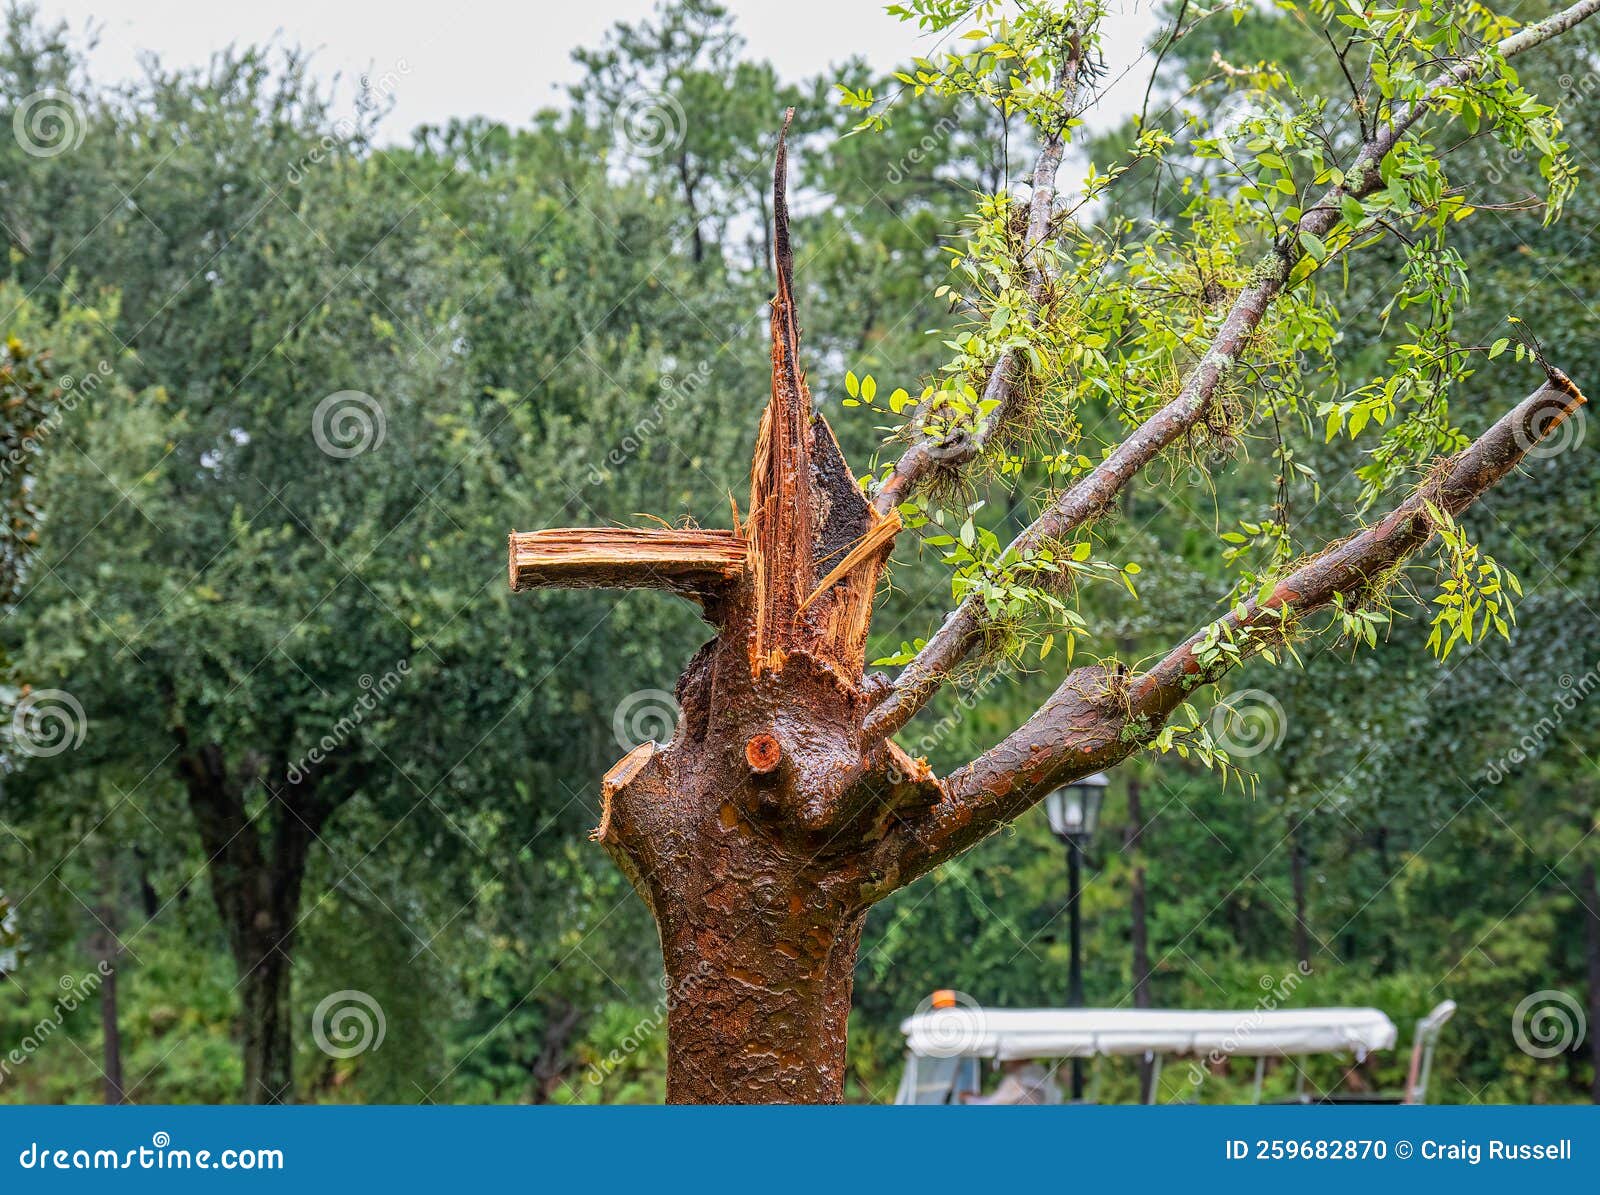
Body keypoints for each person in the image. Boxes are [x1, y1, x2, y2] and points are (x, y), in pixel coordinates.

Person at [961, 1059, 1064, 1105]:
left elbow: (994, 1103)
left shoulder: (1019, 1077)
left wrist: (969, 1098)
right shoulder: (1038, 1071)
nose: (1005, 1063)